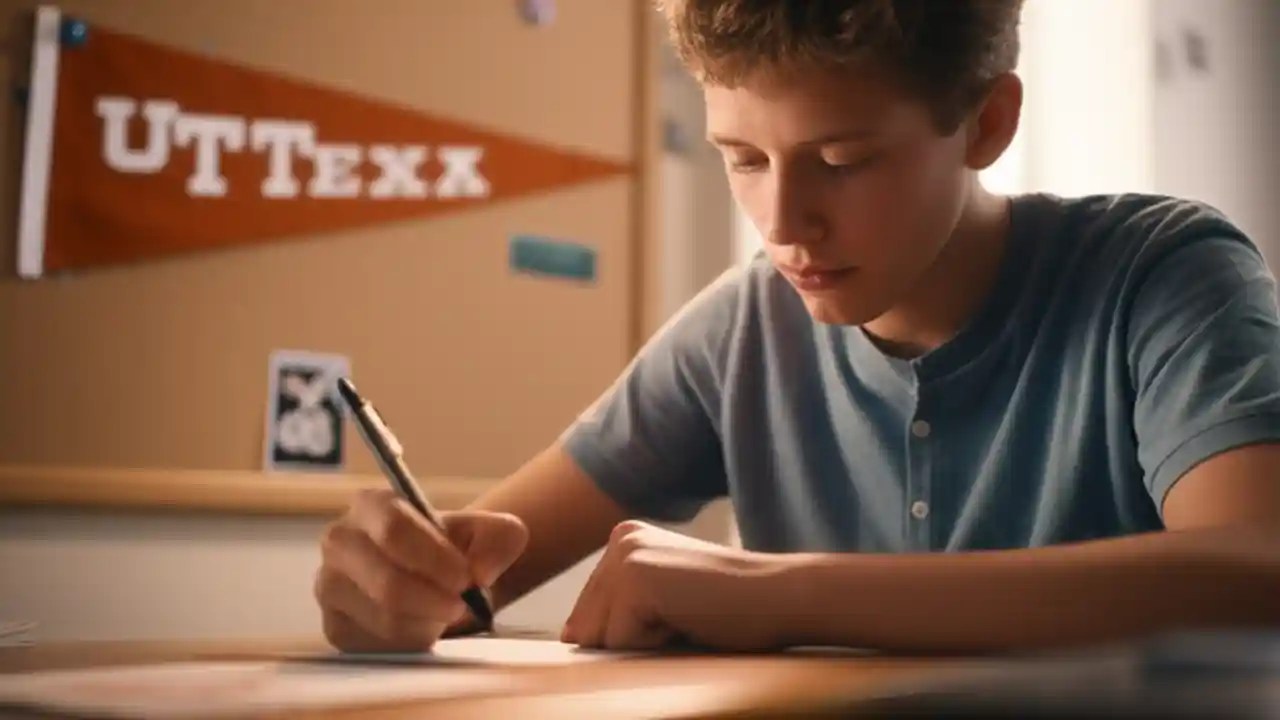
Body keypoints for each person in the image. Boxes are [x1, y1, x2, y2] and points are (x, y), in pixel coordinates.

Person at [313, 0, 1280, 654]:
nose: (780, 226)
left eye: (843, 159)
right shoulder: (743, 333)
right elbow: (476, 574)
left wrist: (782, 592)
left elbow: (1258, 561)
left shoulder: (1164, 275)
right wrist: (397, 591)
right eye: (741, 159)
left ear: (987, 124)